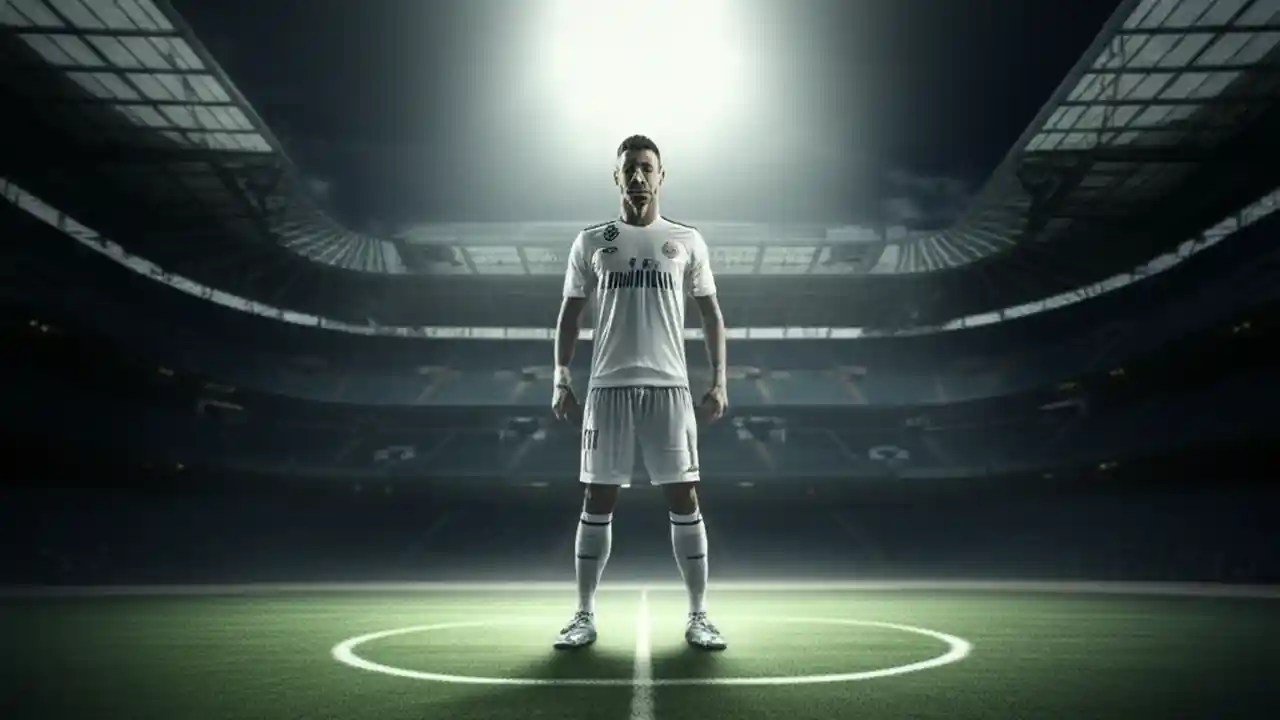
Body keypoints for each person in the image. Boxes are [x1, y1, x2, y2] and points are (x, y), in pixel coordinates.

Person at [551, 134, 728, 651]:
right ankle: (583, 614)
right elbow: (569, 315)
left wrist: (719, 381)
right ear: (616, 177)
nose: (637, 177)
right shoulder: (591, 241)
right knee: (597, 496)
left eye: (646, 168)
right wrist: (561, 377)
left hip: (670, 386)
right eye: (629, 168)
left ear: (660, 175)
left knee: (684, 494)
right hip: (607, 386)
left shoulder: (686, 240)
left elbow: (711, 315)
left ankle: (699, 616)